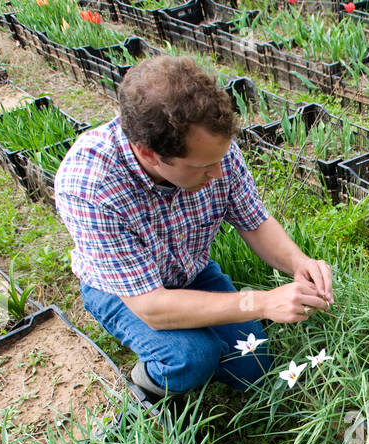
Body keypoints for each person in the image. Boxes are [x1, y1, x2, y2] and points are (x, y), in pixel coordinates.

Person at [53, 56, 333, 399]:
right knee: (190, 358)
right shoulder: (92, 186)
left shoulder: (210, 149)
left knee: (255, 367)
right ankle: (147, 382)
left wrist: (298, 262)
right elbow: (152, 307)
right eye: (203, 167)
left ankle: (203, 347)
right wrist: (260, 303)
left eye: (220, 160)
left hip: (190, 272)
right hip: (123, 291)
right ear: (150, 154)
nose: (217, 173)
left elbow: (254, 221)